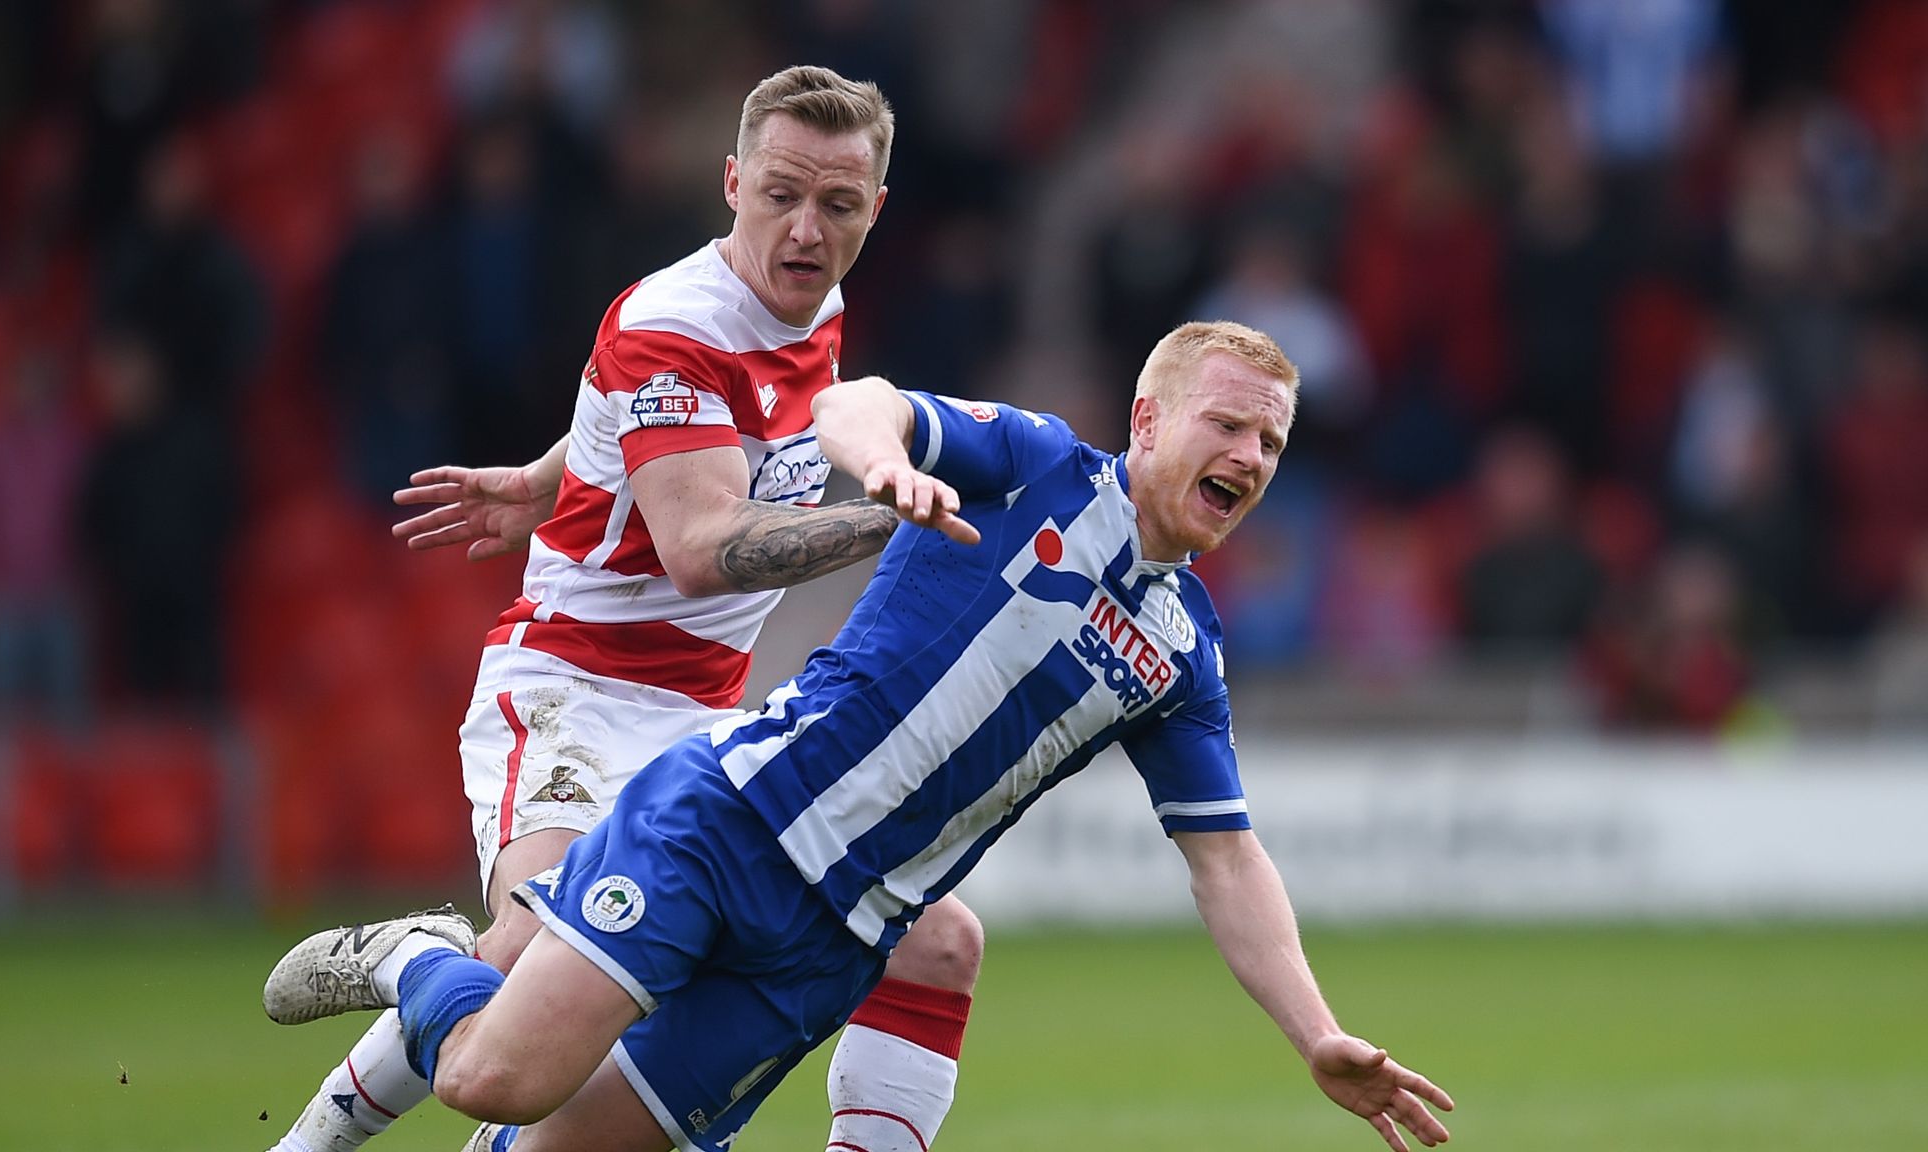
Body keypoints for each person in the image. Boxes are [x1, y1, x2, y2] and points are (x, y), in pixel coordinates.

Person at [264, 322, 1457, 1152]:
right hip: (723, 829)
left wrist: (1317, 1035)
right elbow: (853, 402)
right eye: (1228, 424)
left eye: (1270, 445)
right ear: (1147, 419)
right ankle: (416, 954)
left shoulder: (1181, 654)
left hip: (828, 945)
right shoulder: (1037, 466)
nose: (1249, 457)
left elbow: (1226, 860)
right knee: (492, 1080)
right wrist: (887, 466)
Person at [267, 66, 985, 1152]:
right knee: (529, 959)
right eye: (781, 195)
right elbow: (700, 549)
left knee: (930, 941)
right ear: (732, 184)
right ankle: (399, 982)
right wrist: (894, 516)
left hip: (706, 723)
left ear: (874, 209)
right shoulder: (675, 324)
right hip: (572, 689)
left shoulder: (815, 305)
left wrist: (555, 474)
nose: (806, 228)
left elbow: (680, 422)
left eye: (838, 205)